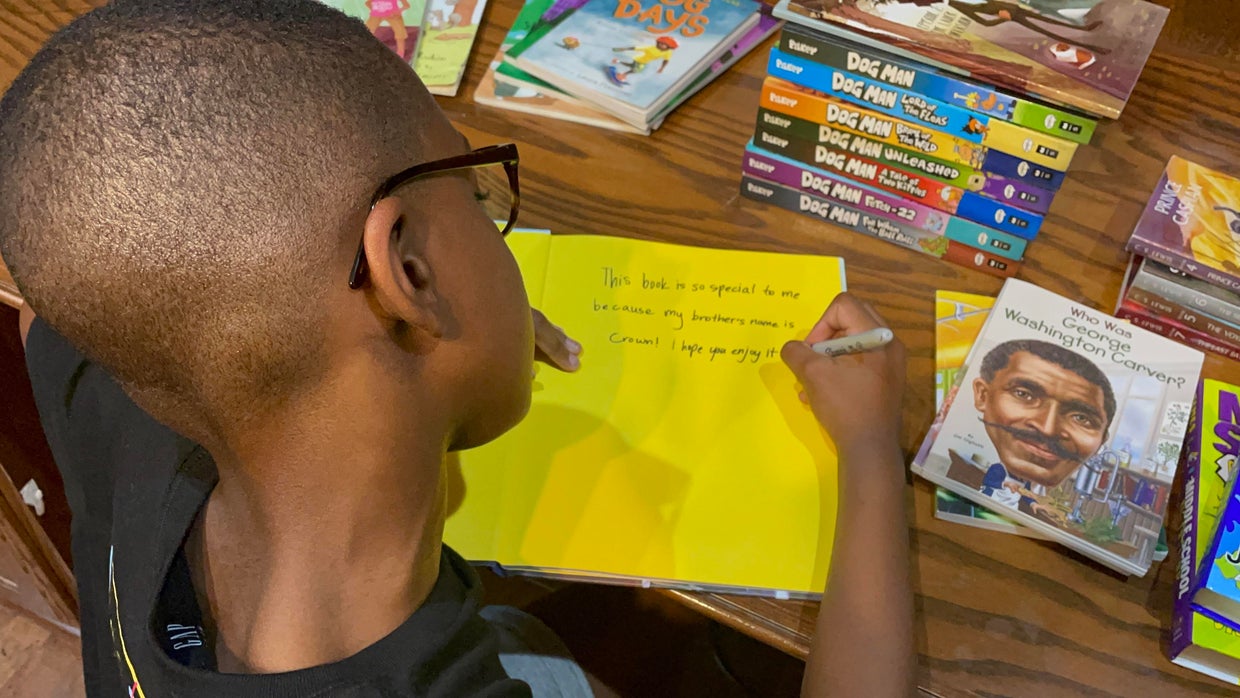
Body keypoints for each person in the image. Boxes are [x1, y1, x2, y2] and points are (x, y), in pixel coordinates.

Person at [1, 1, 913, 696]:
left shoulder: (122, 394)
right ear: (406, 272)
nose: (494, 230)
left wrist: (463, 332)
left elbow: (53, 317)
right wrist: (872, 456)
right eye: (479, 202)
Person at [971, 339, 1115, 514]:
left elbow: (1027, 497)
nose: (1047, 429)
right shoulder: (995, 469)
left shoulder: (1032, 486)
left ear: (1101, 442)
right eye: (1023, 394)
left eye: (1081, 418)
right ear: (982, 396)